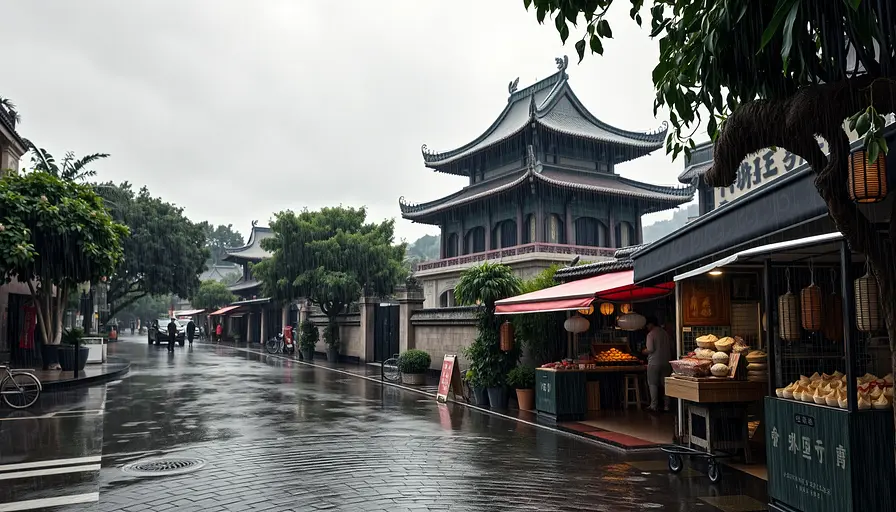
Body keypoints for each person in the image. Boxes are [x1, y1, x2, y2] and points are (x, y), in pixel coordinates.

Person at [642, 315, 673, 412]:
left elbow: (650, 349)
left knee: (653, 384)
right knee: (665, 384)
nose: (647, 327)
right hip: (666, 362)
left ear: (650, 324)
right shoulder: (665, 333)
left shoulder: (651, 334)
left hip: (654, 362)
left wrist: (643, 351)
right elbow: (672, 346)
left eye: (647, 325)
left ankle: (653, 406)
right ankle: (667, 406)